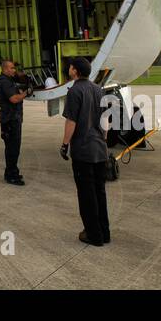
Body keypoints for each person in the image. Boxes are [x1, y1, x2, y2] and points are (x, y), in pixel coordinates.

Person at [60, 57, 111, 246]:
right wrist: (103, 139)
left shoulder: (74, 91)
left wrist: (65, 144)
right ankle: (104, 232)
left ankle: (93, 234)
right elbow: (106, 120)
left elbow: (71, 121)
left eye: (71, 67)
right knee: (100, 192)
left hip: (83, 150)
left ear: (75, 71)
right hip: (99, 149)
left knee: (86, 194)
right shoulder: (99, 89)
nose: (69, 69)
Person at [0, 59, 29, 185]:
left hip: (12, 118)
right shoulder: (4, 81)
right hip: (10, 120)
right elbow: (14, 99)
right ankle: (11, 176)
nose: (14, 70)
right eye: (12, 68)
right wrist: (25, 94)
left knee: (14, 148)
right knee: (12, 148)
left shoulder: (8, 80)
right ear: (5, 69)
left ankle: (12, 172)